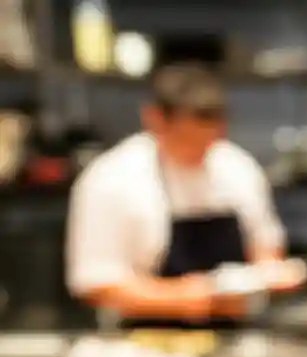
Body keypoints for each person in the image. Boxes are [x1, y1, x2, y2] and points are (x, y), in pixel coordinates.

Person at [66, 63, 292, 326]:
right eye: (187, 140)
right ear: (154, 120)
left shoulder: (237, 165)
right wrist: (185, 296)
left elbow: (266, 246)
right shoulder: (110, 178)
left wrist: (262, 277)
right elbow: (94, 283)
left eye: (209, 141)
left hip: (235, 331)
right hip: (145, 338)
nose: (200, 151)